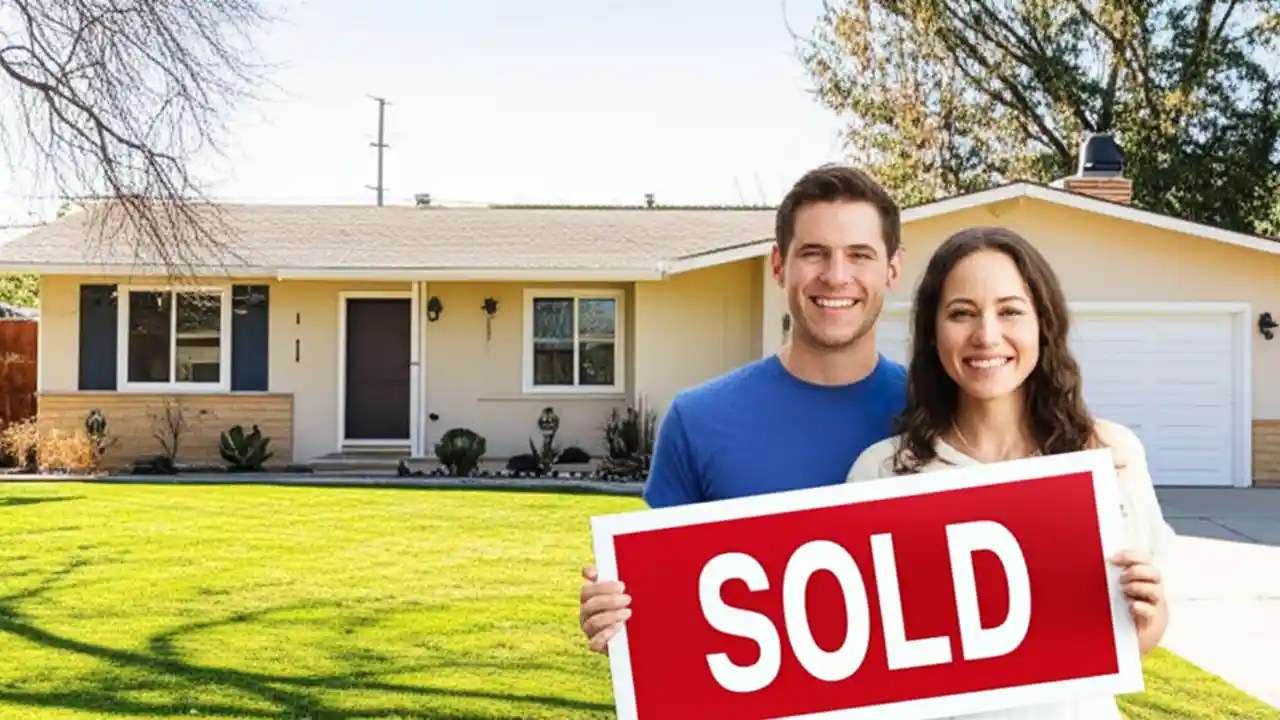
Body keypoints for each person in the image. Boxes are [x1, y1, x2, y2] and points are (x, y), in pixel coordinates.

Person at [578, 162, 910, 653]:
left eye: (859, 255)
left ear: (893, 269)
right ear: (778, 265)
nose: (837, 276)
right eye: (813, 253)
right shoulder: (698, 421)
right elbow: (663, 609)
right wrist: (618, 618)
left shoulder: (940, 415)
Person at [848, 226, 1173, 719]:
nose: (986, 335)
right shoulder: (881, 472)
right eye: (961, 313)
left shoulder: (1110, 454)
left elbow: (1142, 633)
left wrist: (1148, 616)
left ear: (1043, 324)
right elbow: (859, 657)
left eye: (1010, 311)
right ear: (933, 333)